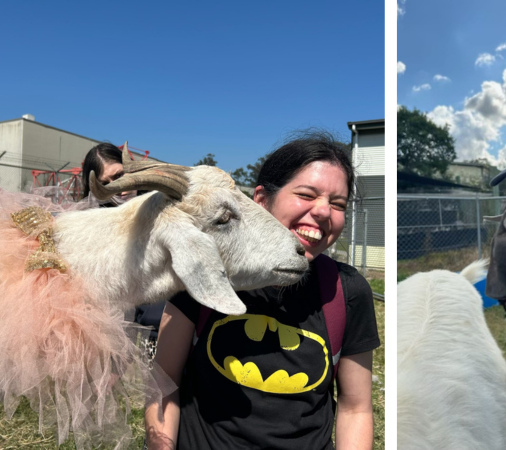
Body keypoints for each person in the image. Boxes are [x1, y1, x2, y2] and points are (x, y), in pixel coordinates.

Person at [145, 132, 380, 449]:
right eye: (307, 195)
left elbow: (356, 408)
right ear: (261, 199)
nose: (324, 211)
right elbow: (164, 382)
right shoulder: (202, 270)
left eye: (337, 204)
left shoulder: (348, 291)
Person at [82, 142, 166, 357]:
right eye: (105, 183)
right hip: (125, 324)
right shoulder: (98, 225)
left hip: (168, 318)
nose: (119, 188)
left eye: (118, 176)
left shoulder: (162, 205)